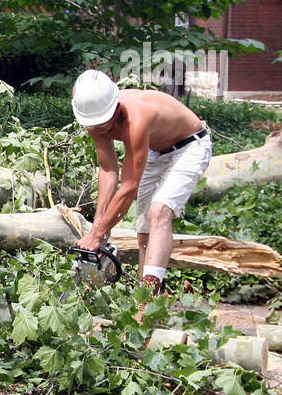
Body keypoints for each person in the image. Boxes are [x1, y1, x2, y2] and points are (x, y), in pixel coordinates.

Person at [70, 70, 213, 293]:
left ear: (115, 108)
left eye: (104, 124)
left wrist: (97, 234)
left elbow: (128, 187)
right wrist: (99, 224)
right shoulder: (93, 115)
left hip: (189, 146)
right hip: (156, 150)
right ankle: (145, 300)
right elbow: (108, 170)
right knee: (144, 232)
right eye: (95, 125)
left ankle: (145, 306)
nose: (99, 130)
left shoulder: (136, 118)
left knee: (159, 212)